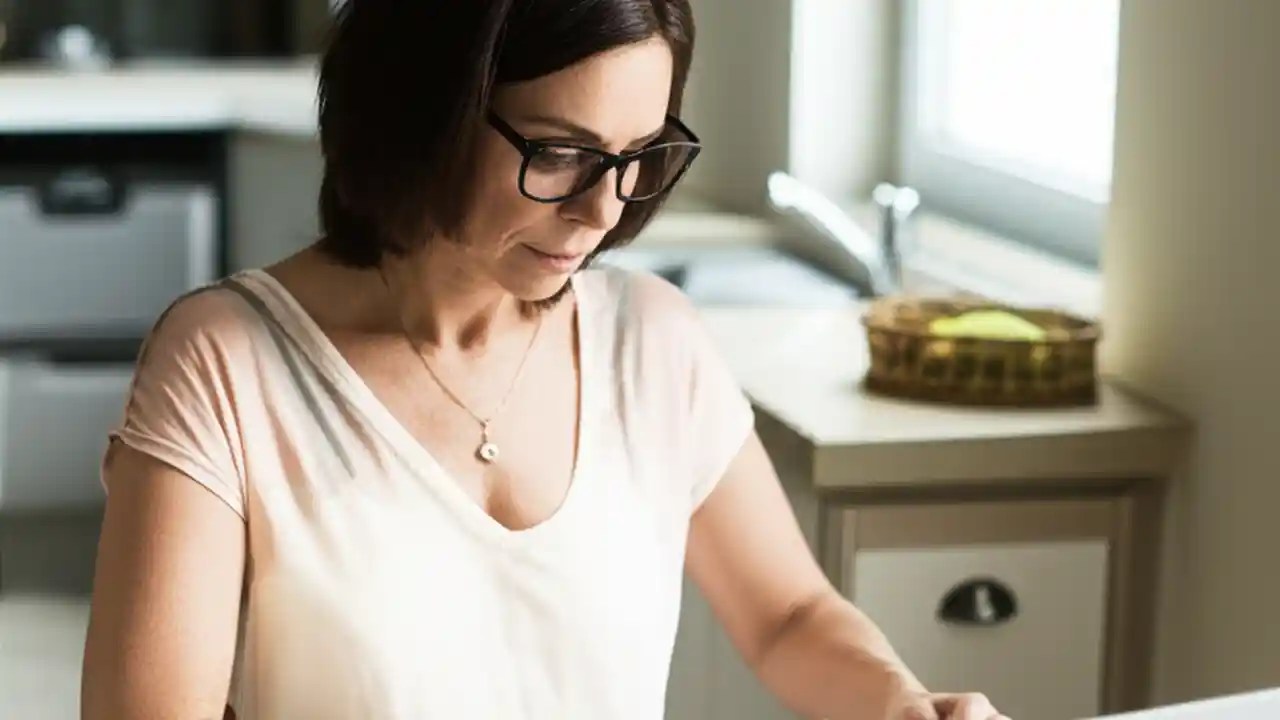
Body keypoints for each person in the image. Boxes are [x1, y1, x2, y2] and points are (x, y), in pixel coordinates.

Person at [81, 2, 1008, 719]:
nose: (604, 211)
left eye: (640, 156)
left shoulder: (653, 342)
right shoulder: (226, 365)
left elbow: (789, 616)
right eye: (561, 153)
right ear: (425, 110)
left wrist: (900, 700)